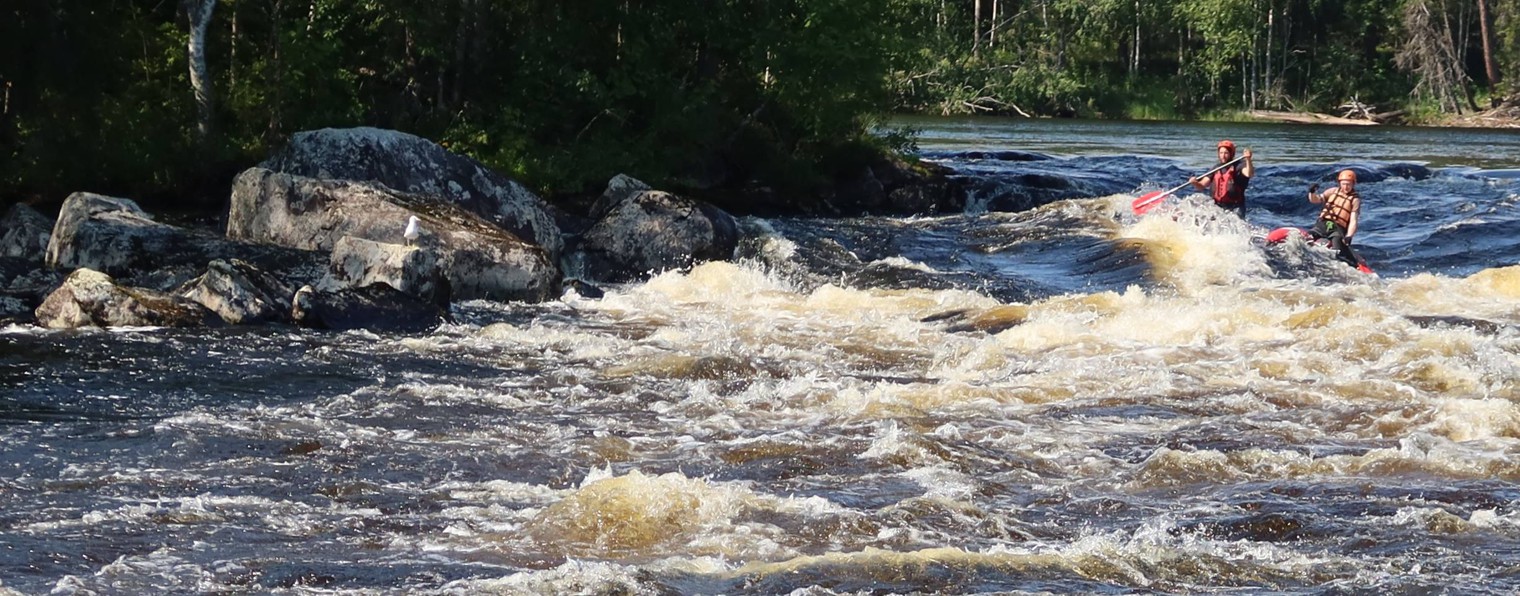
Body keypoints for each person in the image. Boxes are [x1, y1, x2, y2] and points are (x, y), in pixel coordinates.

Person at [1306, 169, 1369, 271]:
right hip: (1323, 223)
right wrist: (1312, 192)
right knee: (1309, 236)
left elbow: (1353, 220)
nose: (1346, 187)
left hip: (1338, 229)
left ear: (1353, 184)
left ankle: (1349, 265)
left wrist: (1349, 236)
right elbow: (1315, 200)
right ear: (1339, 183)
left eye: (1348, 184)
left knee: (1338, 251)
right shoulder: (1332, 191)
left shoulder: (1355, 199)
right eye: (1343, 184)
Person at [1189, 139, 1254, 216]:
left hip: (1235, 207)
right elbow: (1201, 186)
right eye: (1221, 153)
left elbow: (1249, 174)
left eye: (1226, 153)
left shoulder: (1239, 166)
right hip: (1217, 206)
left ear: (1231, 154)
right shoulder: (1216, 168)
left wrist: (1248, 160)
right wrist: (1195, 183)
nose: (1223, 156)